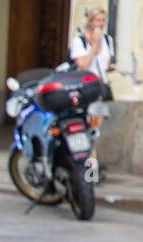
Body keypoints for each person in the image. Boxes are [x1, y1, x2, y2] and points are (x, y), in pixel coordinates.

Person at [69, 6, 115, 175]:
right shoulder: (80, 41)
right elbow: (83, 65)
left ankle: (90, 165)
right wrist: (94, 46)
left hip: (100, 88)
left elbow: (107, 63)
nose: (100, 24)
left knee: (95, 130)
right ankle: (90, 167)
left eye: (103, 20)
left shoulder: (108, 40)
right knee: (87, 128)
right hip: (84, 88)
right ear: (90, 22)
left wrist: (110, 68)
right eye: (97, 20)